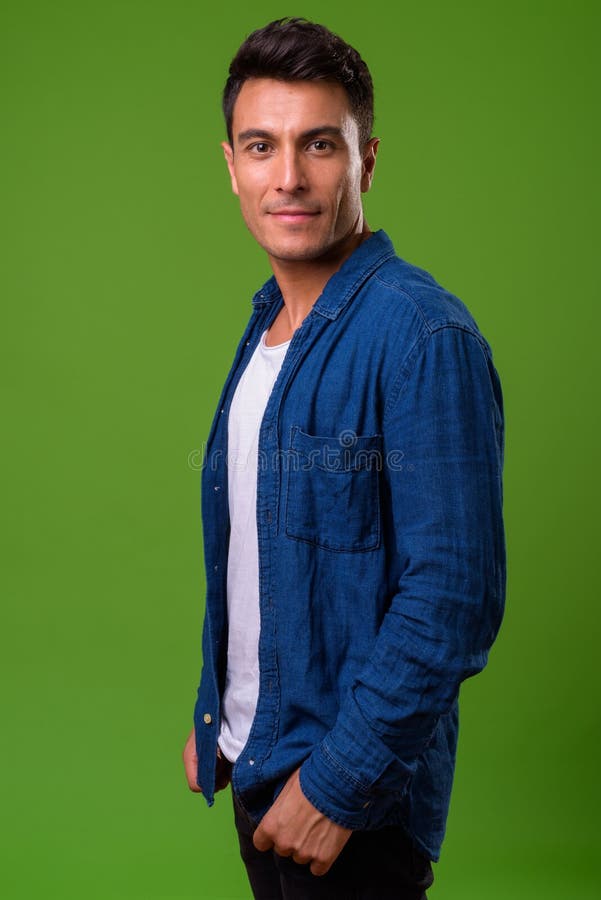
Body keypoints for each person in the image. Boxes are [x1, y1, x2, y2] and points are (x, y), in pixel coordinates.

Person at [182, 17, 505, 900]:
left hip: (348, 801)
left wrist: (336, 785)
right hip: (257, 763)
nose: (287, 176)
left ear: (364, 161)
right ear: (232, 166)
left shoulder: (421, 335)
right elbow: (260, 552)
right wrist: (220, 712)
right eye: (262, 146)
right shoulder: (267, 329)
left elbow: (454, 597)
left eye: (319, 144)